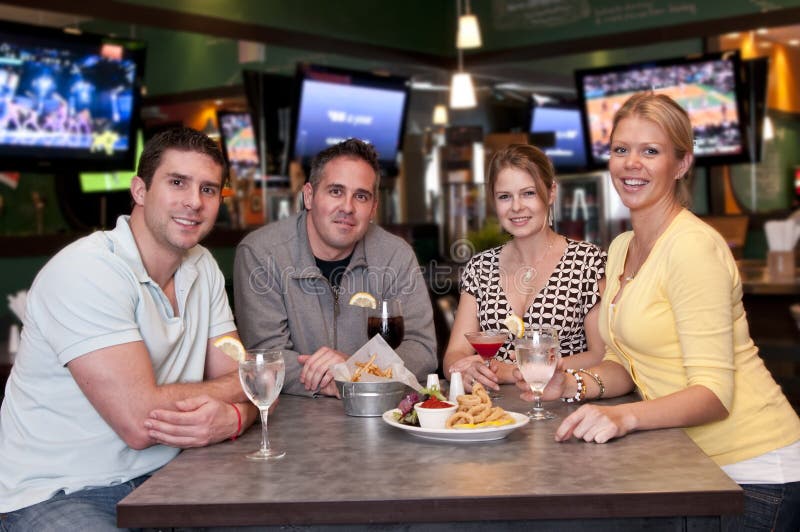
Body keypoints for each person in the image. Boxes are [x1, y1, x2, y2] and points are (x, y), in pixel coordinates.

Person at [527, 92, 800, 531]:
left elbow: (713, 394)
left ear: (681, 164)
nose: (631, 164)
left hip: (754, 473)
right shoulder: (621, 248)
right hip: (694, 467)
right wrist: (575, 383)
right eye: (621, 150)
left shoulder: (692, 247)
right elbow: (625, 362)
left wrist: (625, 416)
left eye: (650, 151)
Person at [0, 127, 257, 532]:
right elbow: (140, 423)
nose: (194, 202)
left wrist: (236, 419)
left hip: (169, 473)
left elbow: (250, 379)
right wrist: (240, 394)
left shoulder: (202, 265)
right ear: (139, 190)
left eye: (209, 189)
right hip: (60, 488)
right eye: (177, 183)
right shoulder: (87, 270)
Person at [234, 138, 437, 397]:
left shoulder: (395, 255)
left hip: (379, 418)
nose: (347, 208)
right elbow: (267, 359)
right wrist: (341, 380)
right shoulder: (261, 254)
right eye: (335, 191)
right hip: (292, 423)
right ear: (309, 196)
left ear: (373, 207)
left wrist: (354, 371)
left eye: (361, 196)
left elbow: (422, 349)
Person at [443, 144, 606, 393]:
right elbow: (455, 355)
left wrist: (513, 371)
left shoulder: (588, 261)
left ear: (551, 193)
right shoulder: (479, 267)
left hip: (562, 409)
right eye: (504, 196)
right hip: (494, 416)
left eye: (528, 193)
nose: (516, 207)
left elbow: (600, 354)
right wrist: (463, 370)